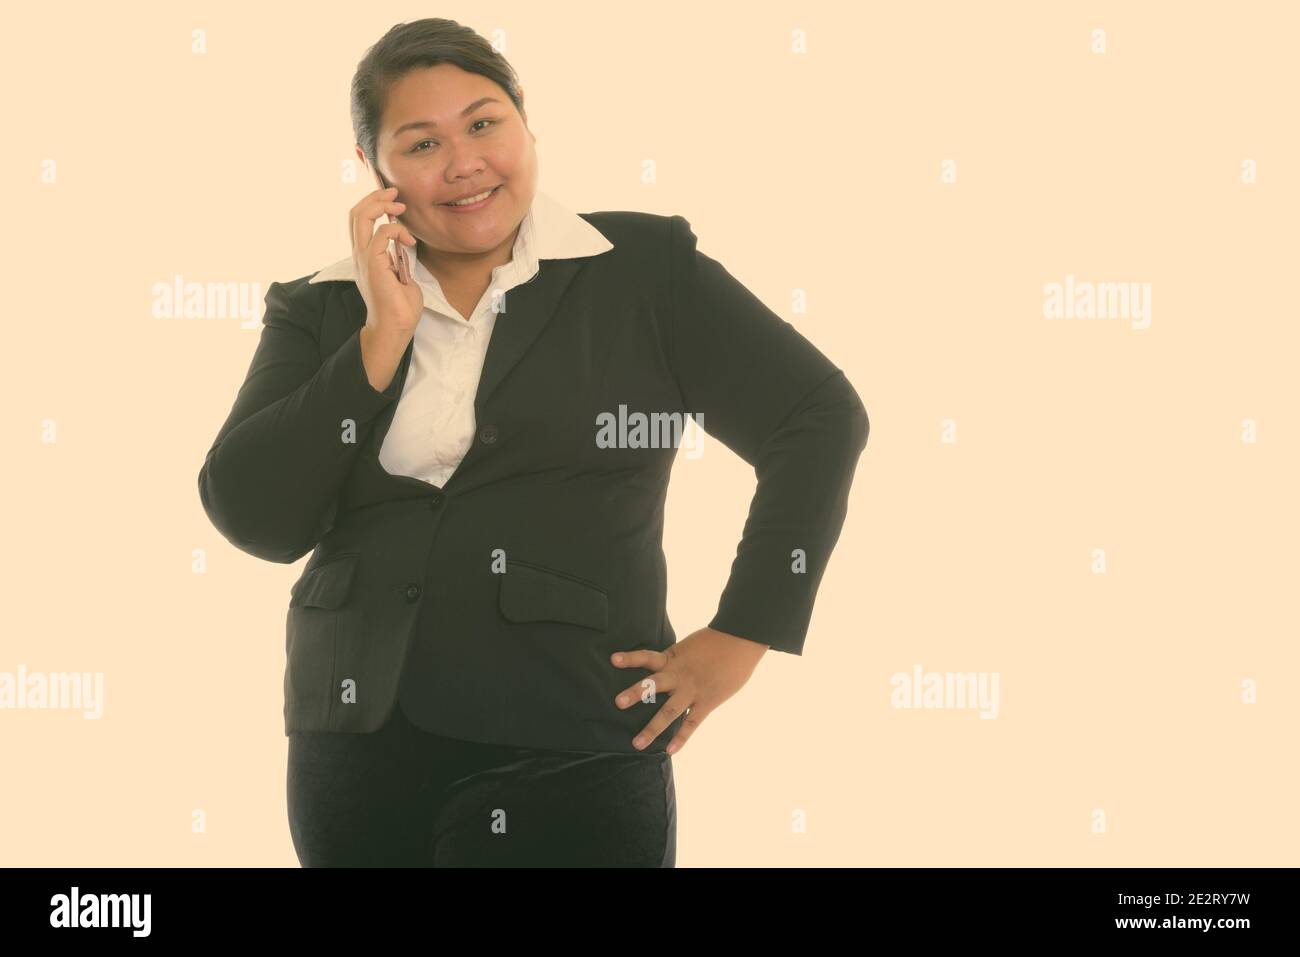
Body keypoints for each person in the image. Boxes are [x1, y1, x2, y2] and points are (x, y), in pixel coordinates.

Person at [197, 18, 869, 867]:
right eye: (421, 142)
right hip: (357, 744)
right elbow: (256, 516)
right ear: (377, 174)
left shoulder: (642, 270)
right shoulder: (322, 305)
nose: (464, 161)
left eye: (484, 123)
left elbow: (817, 416)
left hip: (572, 736)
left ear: (526, 124)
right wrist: (377, 340)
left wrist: (745, 633)